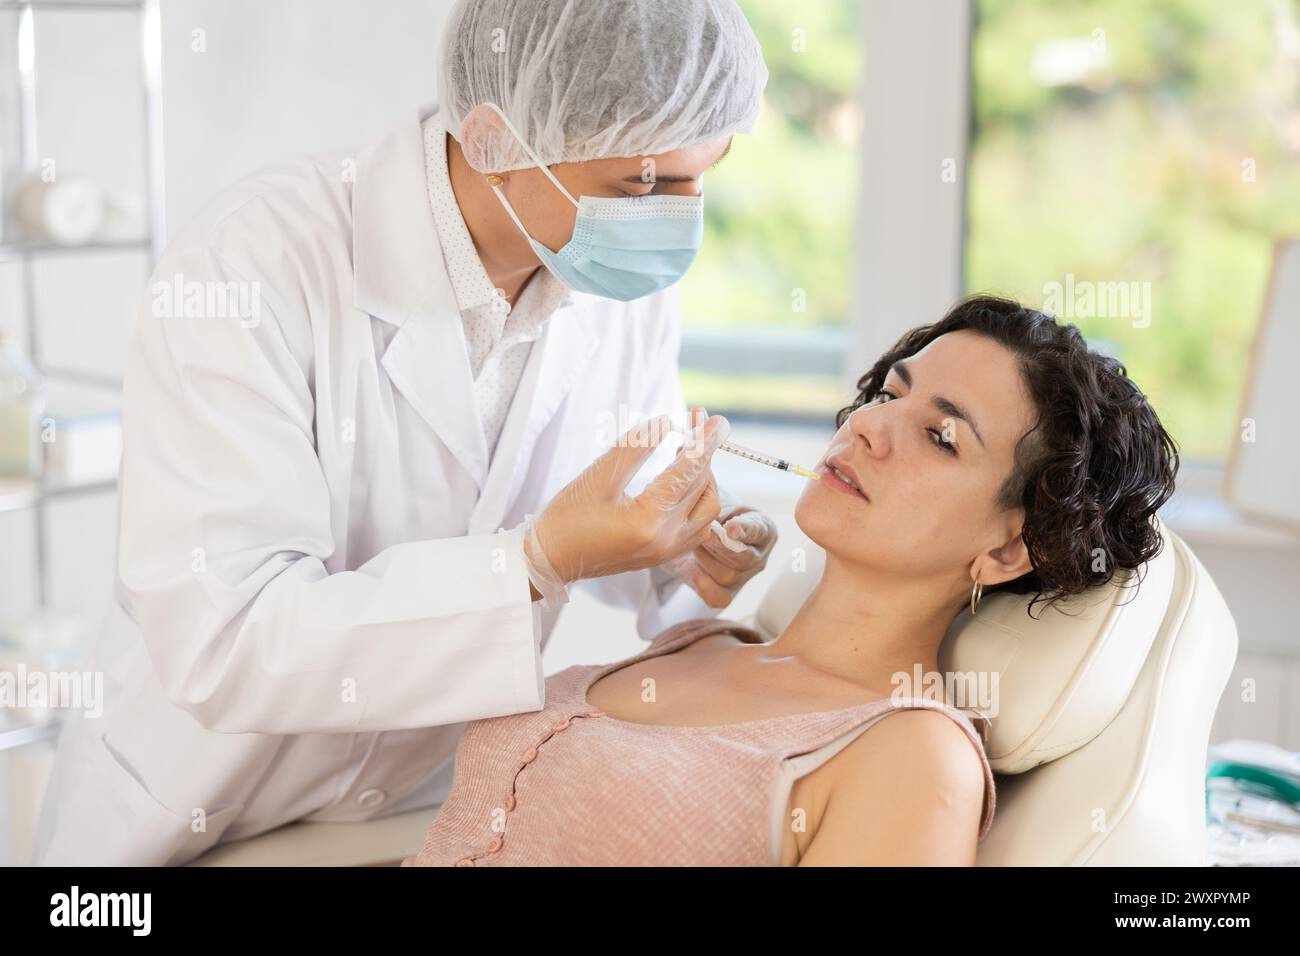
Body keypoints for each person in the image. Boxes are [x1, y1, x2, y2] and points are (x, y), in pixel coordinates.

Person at [33, 0, 775, 865]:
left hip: (419, 807)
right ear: (498, 139)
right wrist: (531, 564)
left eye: (703, 174)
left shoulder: (618, 291)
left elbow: (618, 495)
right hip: (195, 807)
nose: (680, 219)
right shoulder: (255, 263)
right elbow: (227, 636)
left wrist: (682, 554)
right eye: (645, 185)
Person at [401, 295, 1181, 866]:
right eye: (887, 395)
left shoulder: (912, 760)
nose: (868, 426)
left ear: (1008, 553)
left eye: (940, 437)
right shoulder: (697, 643)